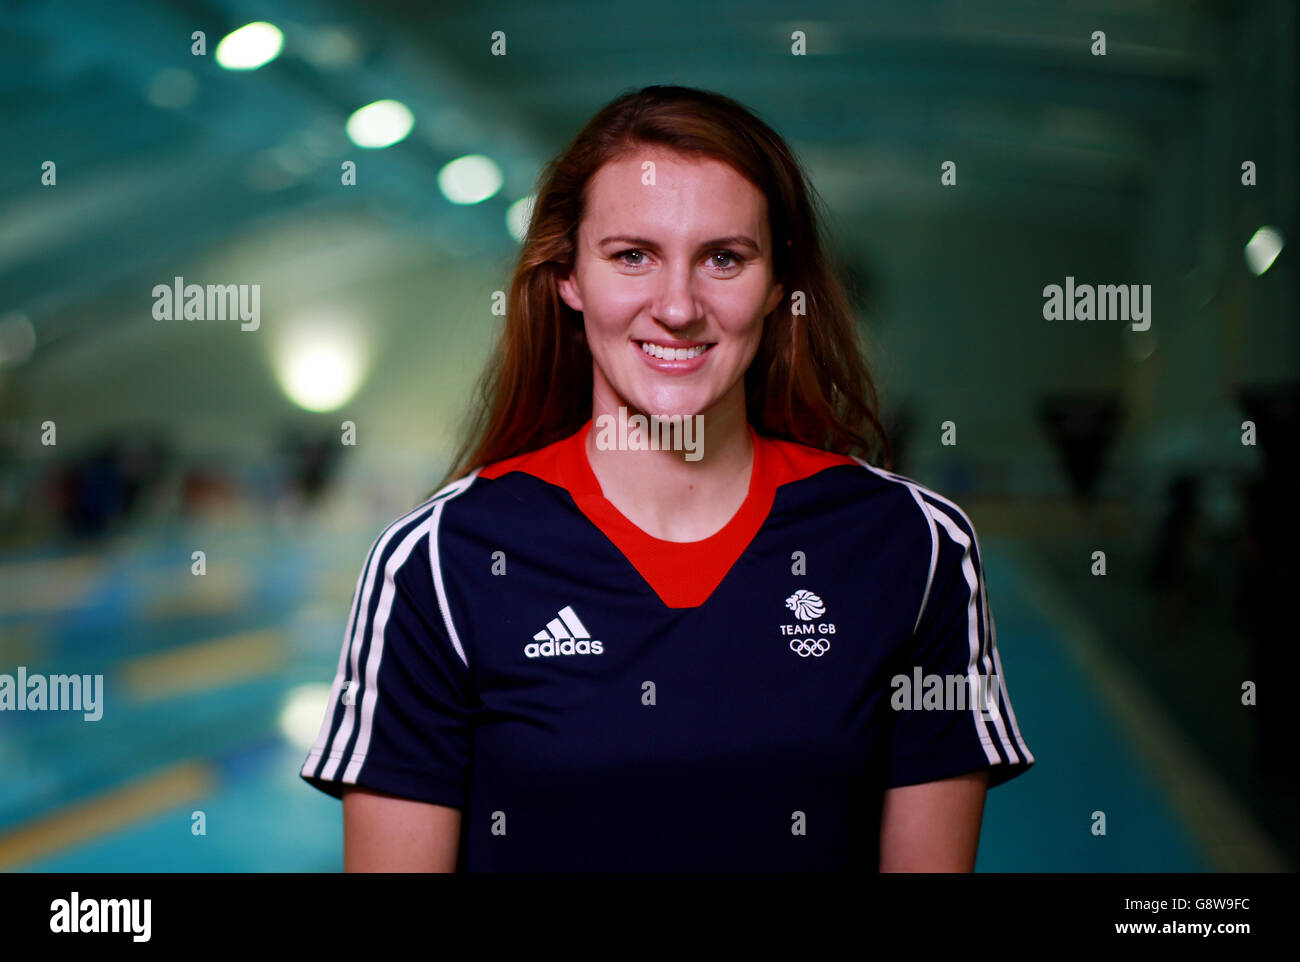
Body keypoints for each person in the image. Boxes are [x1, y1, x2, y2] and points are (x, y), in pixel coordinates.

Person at [300, 84, 1034, 872]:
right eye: (632, 256)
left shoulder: (911, 547)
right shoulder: (440, 562)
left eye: (724, 258)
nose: (678, 307)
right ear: (568, 277)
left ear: (779, 283)